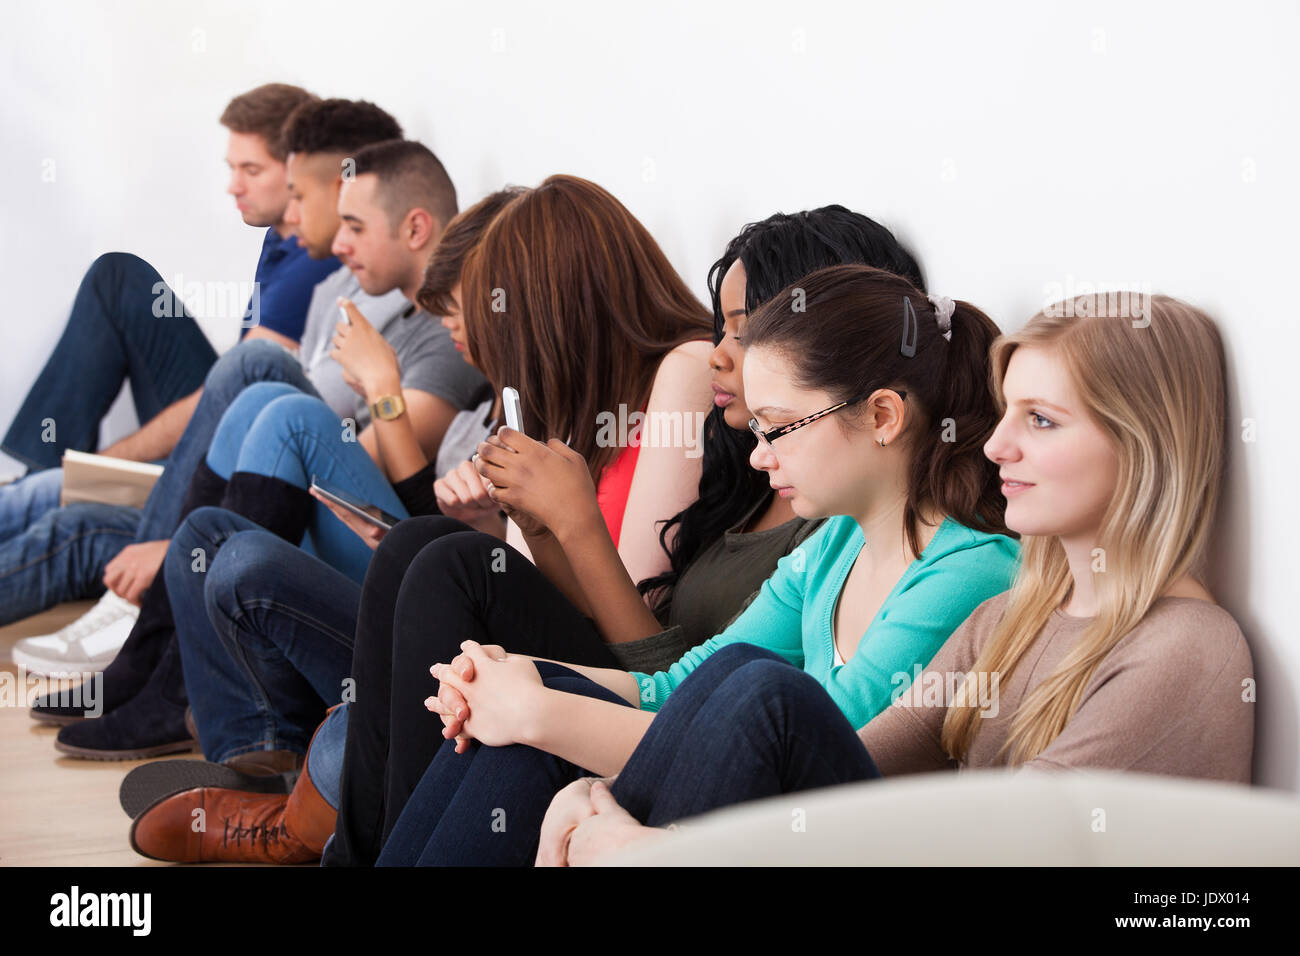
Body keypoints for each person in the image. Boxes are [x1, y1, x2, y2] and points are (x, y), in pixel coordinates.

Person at [126, 174, 729, 863]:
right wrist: (522, 522)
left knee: (387, 642)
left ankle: (307, 821)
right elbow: (544, 591)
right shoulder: (563, 394)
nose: (482, 334)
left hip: (624, 679)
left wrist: (556, 520)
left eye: (496, 311)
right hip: (546, 649)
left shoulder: (677, 371)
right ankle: (298, 799)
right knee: (401, 551)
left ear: (558, 300)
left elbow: (633, 634)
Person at [536, 292, 1257, 866]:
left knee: (760, 690)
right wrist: (611, 798)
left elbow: (994, 847)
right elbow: (853, 767)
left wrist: (673, 850)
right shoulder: (1008, 619)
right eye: (1007, 411)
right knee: (748, 682)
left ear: (1143, 447)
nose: (998, 444)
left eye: (1040, 421)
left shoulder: (1184, 650)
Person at [362, 262, 1020, 866]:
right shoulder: (833, 545)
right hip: (762, 812)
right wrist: (522, 675)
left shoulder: (968, 573)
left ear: (882, 415)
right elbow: (677, 686)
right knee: (535, 726)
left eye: (779, 428)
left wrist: (539, 712)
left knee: (744, 687)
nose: (759, 458)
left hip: (835, 839)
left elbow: (814, 745)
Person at [42, 135, 485, 758]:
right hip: (365, 534)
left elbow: (387, 478)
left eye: (353, 224)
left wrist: (382, 389)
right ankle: (159, 665)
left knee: (277, 408)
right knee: (255, 415)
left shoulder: (451, 339)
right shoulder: (373, 303)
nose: (337, 243)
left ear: (415, 227)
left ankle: (168, 675)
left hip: (402, 565)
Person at [10, 97, 406, 664]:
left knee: (63, 517)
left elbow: (323, 436)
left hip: (267, 491)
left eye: (255, 172)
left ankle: (142, 615)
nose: (234, 187)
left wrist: (125, 473)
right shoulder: (312, 266)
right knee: (49, 491)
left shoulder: (339, 275)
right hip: (237, 472)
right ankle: (53, 488)